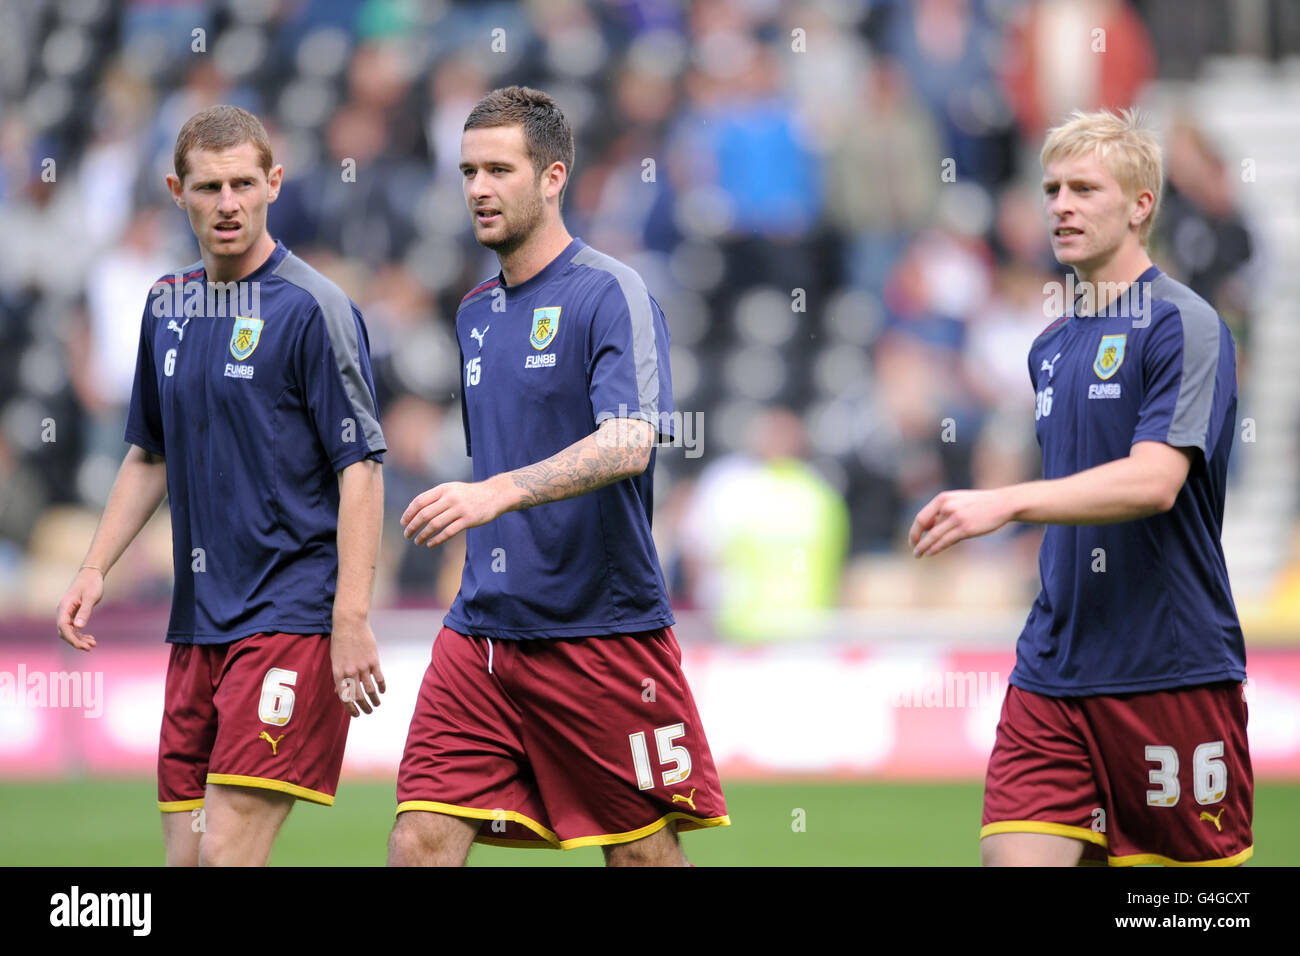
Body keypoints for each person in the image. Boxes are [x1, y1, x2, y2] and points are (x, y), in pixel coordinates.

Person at [388, 86, 729, 866]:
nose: (477, 188)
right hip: (482, 633)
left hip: (602, 634)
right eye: (468, 171)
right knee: (420, 837)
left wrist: (499, 491)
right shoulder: (473, 311)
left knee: (640, 853)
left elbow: (629, 443)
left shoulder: (613, 293)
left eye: (499, 169)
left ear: (552, 176)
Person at [909, 108, 1251, 867]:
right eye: (1052, 188)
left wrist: (1006, 501)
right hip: (1053, 673)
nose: (1060, 204)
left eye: (1085, 188)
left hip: (1169, 671)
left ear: (1140, 206)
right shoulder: (1050, 348)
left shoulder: (1183, 325)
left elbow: (1155, 481)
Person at [55, 105, 387, 867]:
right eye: (209, 187)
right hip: (197, 624)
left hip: (290, 618)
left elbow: (361, 467)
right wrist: (94, 566)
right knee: (185, 862)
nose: (228, 203)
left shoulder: (314, 308)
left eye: (244, 183)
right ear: (178, 190)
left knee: (224, 857)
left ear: (273, 183)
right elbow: (148, 454)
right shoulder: (166, 304)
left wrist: (351, 617)